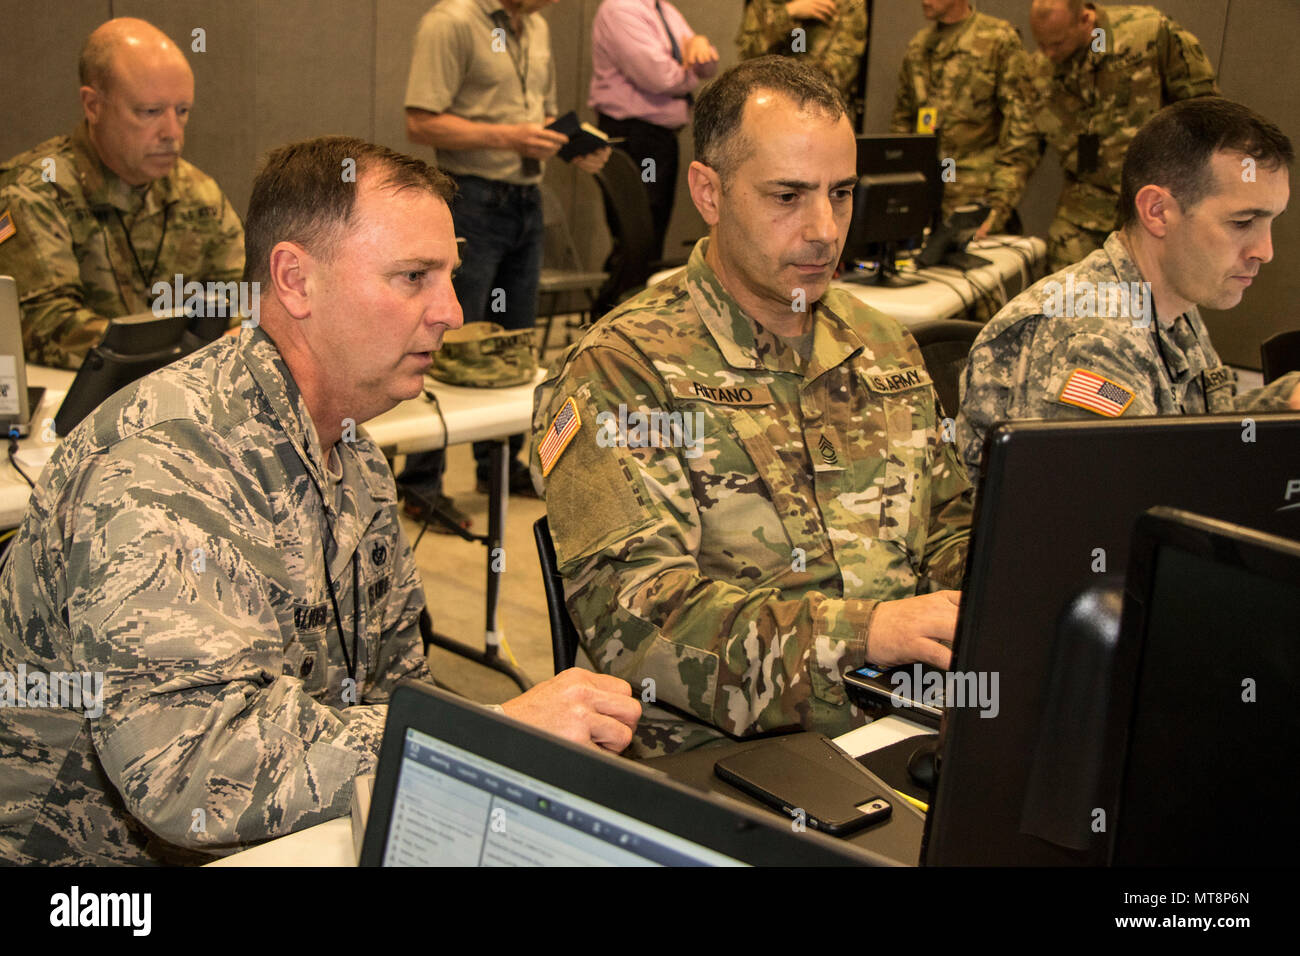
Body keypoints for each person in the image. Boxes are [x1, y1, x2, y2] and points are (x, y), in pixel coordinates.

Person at [0, 137, 640, 866]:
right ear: (295, 281)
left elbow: (395, 691)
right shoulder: (163, 462)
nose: (453, 312)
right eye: (413, 277)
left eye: (450, 277)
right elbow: (190, 770)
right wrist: (491, 732)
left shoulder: (353, 453)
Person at [532, 58, 973, 759]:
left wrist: (994, 595)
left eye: (841, 193)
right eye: (787, 196)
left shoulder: (880, 341)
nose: (824, 229)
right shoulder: (622, 370)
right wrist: (866, 634)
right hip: (725, 762)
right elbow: (636, 624)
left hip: (910, 723)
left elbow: (949, 525)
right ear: (708, 192)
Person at [956, 97, 1300, 490]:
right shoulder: (1089, 339)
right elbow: (1133, 505)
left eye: (1271, 222)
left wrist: (1285, 400)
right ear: (1157, 211)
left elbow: (1191, 430)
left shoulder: (1169, 300)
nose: (1265, 251)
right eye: (1243, 222)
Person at [400, 0, 612, 527]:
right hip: (470, 198)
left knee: (513, 340)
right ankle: (421, 484)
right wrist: (509, 136)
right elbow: (420, 122)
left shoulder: (535, 26)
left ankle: (498, 466)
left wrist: (571, 143)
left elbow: (540, 117)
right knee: (446, 338)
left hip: (526, 198)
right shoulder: (451, 22)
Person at [0, 17, 244, 371]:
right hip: (75, 395)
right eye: (150, 111)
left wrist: (239, 332)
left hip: (180, 390)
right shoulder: (36, 192)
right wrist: (180, 355)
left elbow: (243, 300)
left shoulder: (198, 193)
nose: (172, 132)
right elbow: (46, 327)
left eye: (182, 111)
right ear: (93, 106)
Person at [1026, 0, 1219, 271]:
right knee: (1064, 290)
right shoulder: (1039, 71)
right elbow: (1022, 146)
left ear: (1085, 19)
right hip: (1084, 208)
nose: (1048, 53)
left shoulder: (1147, 33)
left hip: (1152, 202)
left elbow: (1204, 111)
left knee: (1148, 292)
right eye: (1041, 44)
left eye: (1057, 43)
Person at [889, 0, 1038, 237]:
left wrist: (997, 207)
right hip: (923, 200)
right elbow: (902, 124)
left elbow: (1021, 132)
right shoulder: (919, 46)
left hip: (976, 203)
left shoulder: (997, 40)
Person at [589, 0, 719, 261]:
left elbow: (708, 64)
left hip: (659, 139)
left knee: (652, 230)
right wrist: (690, 70)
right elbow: (659, 77)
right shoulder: (620, 8)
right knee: (636, 234)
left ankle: (637, 285)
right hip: (634, 137)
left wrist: (700, 44)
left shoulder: (663, 9)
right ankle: (623, 289)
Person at [737, 0, 868, 123]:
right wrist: (788, 13)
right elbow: (748, 54)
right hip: (766, 109)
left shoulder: (846, 4)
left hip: (822, 114)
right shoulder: (767, 3)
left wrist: (787, 87)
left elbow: (840, 70)